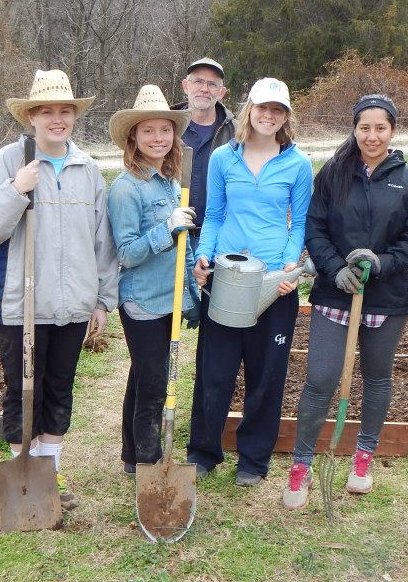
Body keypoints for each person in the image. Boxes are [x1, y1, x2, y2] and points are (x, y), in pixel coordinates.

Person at [0, 69, 118, 510]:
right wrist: (16, 190)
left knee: (59, 389)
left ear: (73, 116)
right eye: (46, 111)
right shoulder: (9, 162)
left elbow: (101, 242)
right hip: (20, 305)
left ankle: (49, 473)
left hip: (72, 305)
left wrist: (103, 298)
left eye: (64, 111)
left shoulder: (87, 169)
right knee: (22, 388)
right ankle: (23, 475)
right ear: (31, 116)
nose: (56, 119)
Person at [282, 94, 408, 510]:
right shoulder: (333, 174)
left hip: (386, 299)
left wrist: (380, 262)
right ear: (354, 129)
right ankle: (302, 463)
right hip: (334, 295)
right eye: (364, 127)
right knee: (320, 378)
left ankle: (362, 459)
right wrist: (334, 270)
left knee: (377, 378)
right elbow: (315, 228)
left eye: (380, 127)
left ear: (393, 131)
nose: (372, 135)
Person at [186, 77, 314, 487]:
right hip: (226, 277)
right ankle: (203, 450)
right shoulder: (224, 158)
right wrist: (203, 256)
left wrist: (289, 268)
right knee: (215, 371)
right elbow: (216, 214)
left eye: (277, 110)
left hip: (272, 284)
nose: (268, 115)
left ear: (285, 117)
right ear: (249, 110)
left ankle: (254, 459)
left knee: (266, 373)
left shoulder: (298, 164)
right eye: (262, 107)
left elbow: (300, 224)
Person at [106, 84, 200, 476]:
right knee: (155, 385)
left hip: (171, 296)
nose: (158, 138)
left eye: (165, 130)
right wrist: (166, 230)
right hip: (142, 302)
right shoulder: (126, 188)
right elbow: (126, 253)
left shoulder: (167, 179)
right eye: (148, 131)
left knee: (143, 375)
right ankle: (148, 462)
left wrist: (192, 290)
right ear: (134, 137)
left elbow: (184, 245)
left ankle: (131, 455)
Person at [174, 57, 235, 251]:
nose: (204, 88)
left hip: (219, 237)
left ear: (222, 92)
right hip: (172, 235)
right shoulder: (166, 127)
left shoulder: (237, 132)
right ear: (185, 86)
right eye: (198, 81)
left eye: (212, 84)